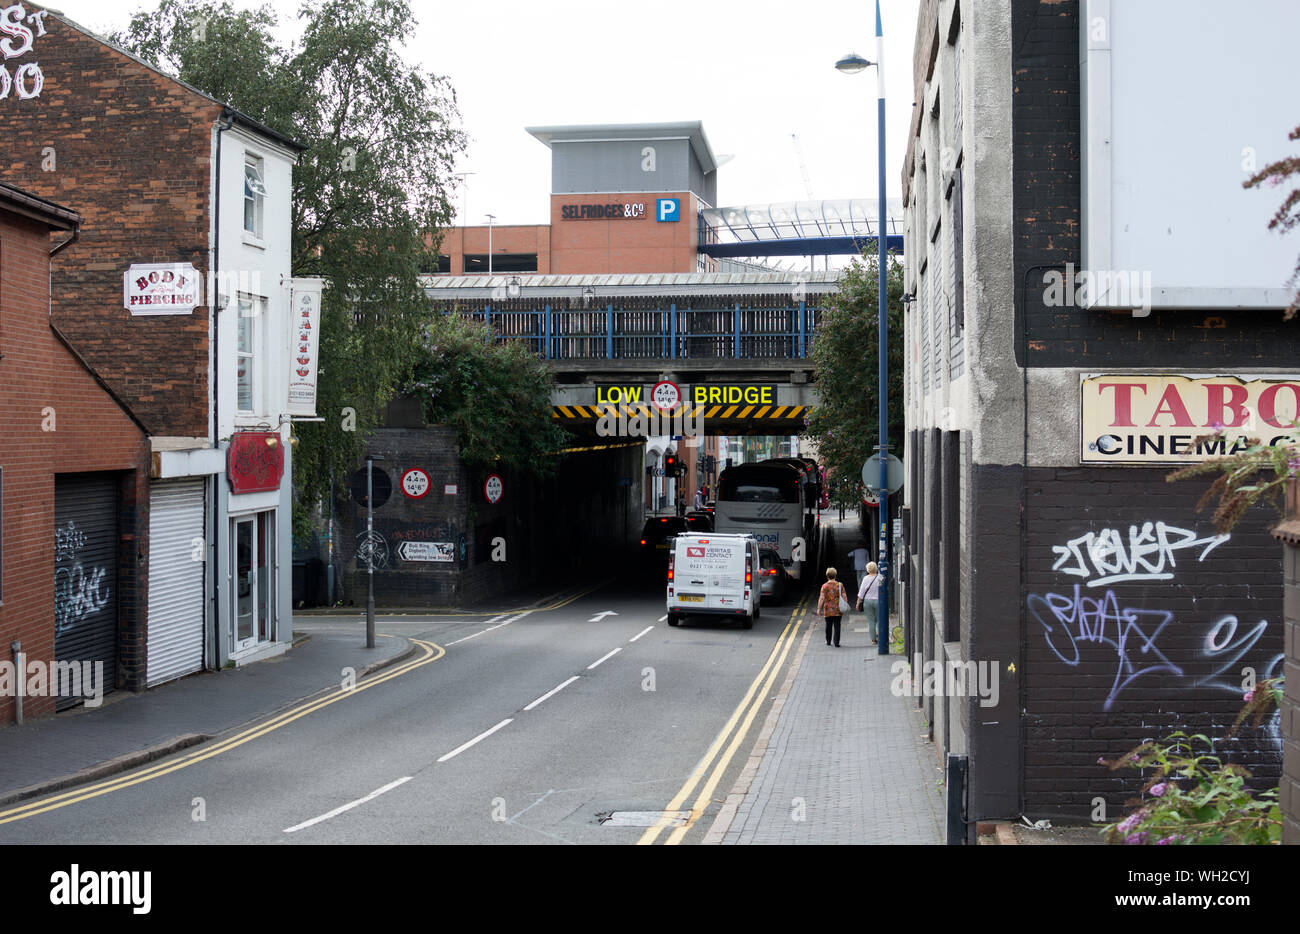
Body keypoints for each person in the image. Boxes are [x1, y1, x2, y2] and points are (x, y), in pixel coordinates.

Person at [816, 567, 847, 647]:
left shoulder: (824, 586)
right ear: (835, 575)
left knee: (828, 626)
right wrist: (845, 604)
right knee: (837, 626)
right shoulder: (840, 585)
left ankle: (828, 641)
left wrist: (819, 608)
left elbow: (822, 598)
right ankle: (836, 642)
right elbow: (844, 596)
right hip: (838, 609)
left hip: (828, 609)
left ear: (827, 575)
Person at [856, 560, 882, 644]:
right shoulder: (880, 577)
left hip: (867, 602)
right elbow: (883, 589)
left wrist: (858, 603)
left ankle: (873, 640)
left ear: (868, 570)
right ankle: (881, 636)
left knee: (871, 621)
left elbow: (861, 592)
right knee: (879, 620)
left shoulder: (865, 578)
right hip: (879, 601)